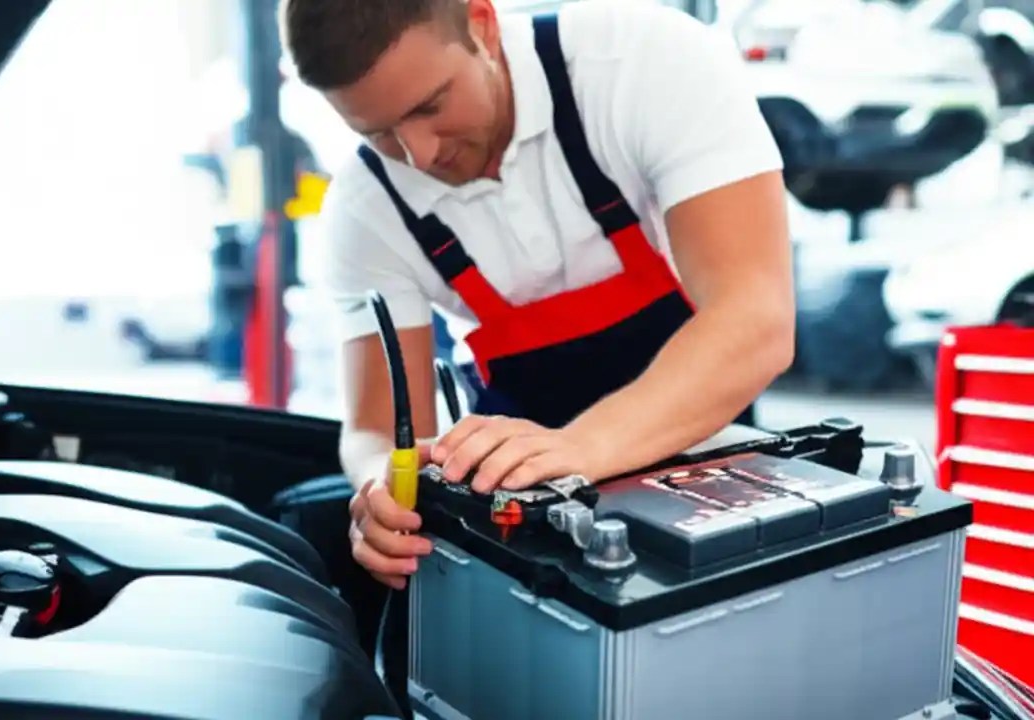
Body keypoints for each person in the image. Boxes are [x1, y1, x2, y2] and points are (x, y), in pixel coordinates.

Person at [279, 0, 795, 590]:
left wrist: (583, 447)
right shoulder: (364, 207)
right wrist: (379, 492)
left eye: (430, 106)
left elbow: (756, 319)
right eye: (377, 133)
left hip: (705, 465)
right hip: (522, 502)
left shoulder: (643, 62)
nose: (418, 153)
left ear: (482, 24)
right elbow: (377, 430)